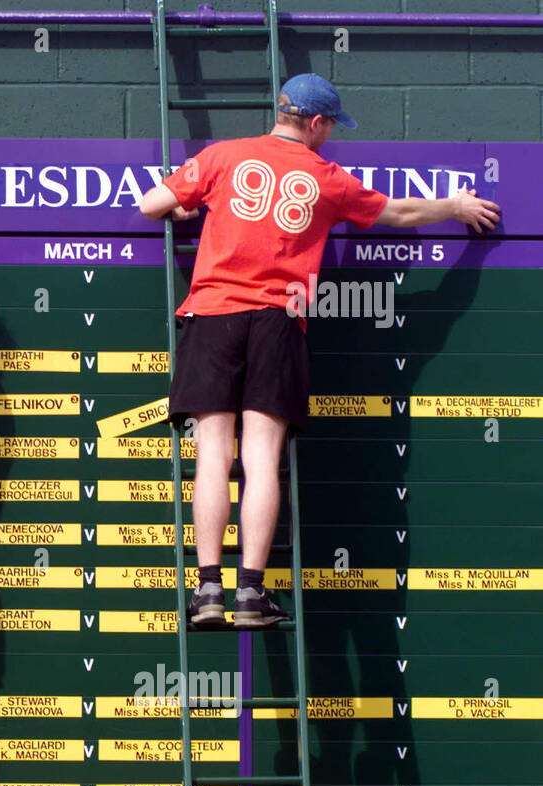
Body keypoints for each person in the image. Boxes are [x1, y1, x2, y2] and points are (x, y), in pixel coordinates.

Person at [138, 73, 499, 628]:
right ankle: (250, 593)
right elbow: (400, 214)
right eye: (331, 126)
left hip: (212, 314)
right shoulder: (326, 178)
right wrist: (455, 206)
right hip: (278, 321)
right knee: (261, 460)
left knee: (212, 455)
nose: (331, 135)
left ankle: (207, 589)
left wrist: (189, 209)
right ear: (315, 122)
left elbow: (151, 205)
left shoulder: (222, 156)